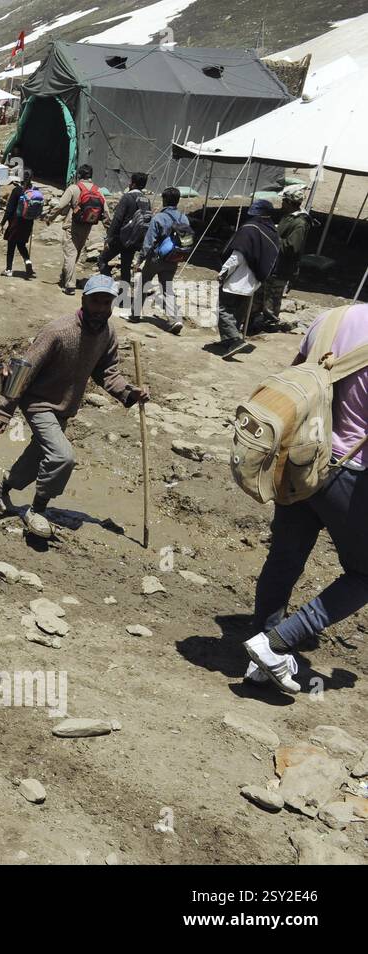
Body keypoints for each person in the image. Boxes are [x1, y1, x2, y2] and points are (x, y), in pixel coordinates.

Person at [243, 304, 368, 694]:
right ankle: (275, 643)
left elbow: (298, 375)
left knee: (284, 556)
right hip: (345, 471)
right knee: (364, 574)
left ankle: (262, 660)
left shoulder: (331, 318)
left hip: (297, 457)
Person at [0, 274, 149, 539]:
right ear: (83, 299)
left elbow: (108, 373)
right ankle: (37, 510)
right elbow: (24, 371)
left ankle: (1, 489)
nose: (100, 309)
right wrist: (4, 410)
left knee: (35, 460)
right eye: (95, 301)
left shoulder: (107, 334)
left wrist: (131, 393)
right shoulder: (58, 331)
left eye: (106, 303)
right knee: (63, 457)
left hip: (64, 406)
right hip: (39, 402)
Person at [216, 199, 280, 354]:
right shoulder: (272, 232)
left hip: (236, 279)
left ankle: (234, 340)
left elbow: (236, 257)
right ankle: (228, 342)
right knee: (238, 312)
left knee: (224, 310)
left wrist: (223, 273)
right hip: (254, 281)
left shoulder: (249, 229)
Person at [45, 164, 108, 295]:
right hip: (87, 226)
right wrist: (108, 229)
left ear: (79, 175)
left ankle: (70, 285)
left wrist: (50, 217)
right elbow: (106, 212)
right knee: (75, 253)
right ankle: (65, 277)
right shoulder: (98, 191)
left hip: (72, 226)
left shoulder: (74, 188)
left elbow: (60, 205)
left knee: (70, 254)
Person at [133, 187, 188, 334]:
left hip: (156, 258)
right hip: (174, 258)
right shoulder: (184, 218)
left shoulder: (158, 218)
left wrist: (139, 260)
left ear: (164, 200)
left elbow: (148, 241)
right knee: (167, 289)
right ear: (177, 200)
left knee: (144, 283)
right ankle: (175, 319)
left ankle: (135, 314)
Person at [258, 185, 312, 332]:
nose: (281, 204)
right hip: (274, 264)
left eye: (284, 201)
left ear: (289, 202)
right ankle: (260, 322)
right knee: (264, 294)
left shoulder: (300, 223)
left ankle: (270, 326)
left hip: (282, 267)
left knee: (272, 299)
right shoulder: (289, 217)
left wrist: (272, 238)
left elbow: (292, 247)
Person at [99, 172, 150, 284]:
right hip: (134, 240)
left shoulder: (127, 197)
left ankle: (109, 287)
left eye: (131, 181)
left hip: (120, 239)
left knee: (102, 259)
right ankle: (123, 299)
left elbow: (117, 219)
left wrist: (108, 238)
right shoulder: (146, 201)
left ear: (133, 184)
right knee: (126, 269)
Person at [0, 170, 38, 278]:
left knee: (11, 245)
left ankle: (8, 269)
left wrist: (3, 222)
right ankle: (27, 261)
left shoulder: (17, 190)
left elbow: (9, 209)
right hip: (28, 223)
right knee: (21, 244)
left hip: (15, 222)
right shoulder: (34, 190)